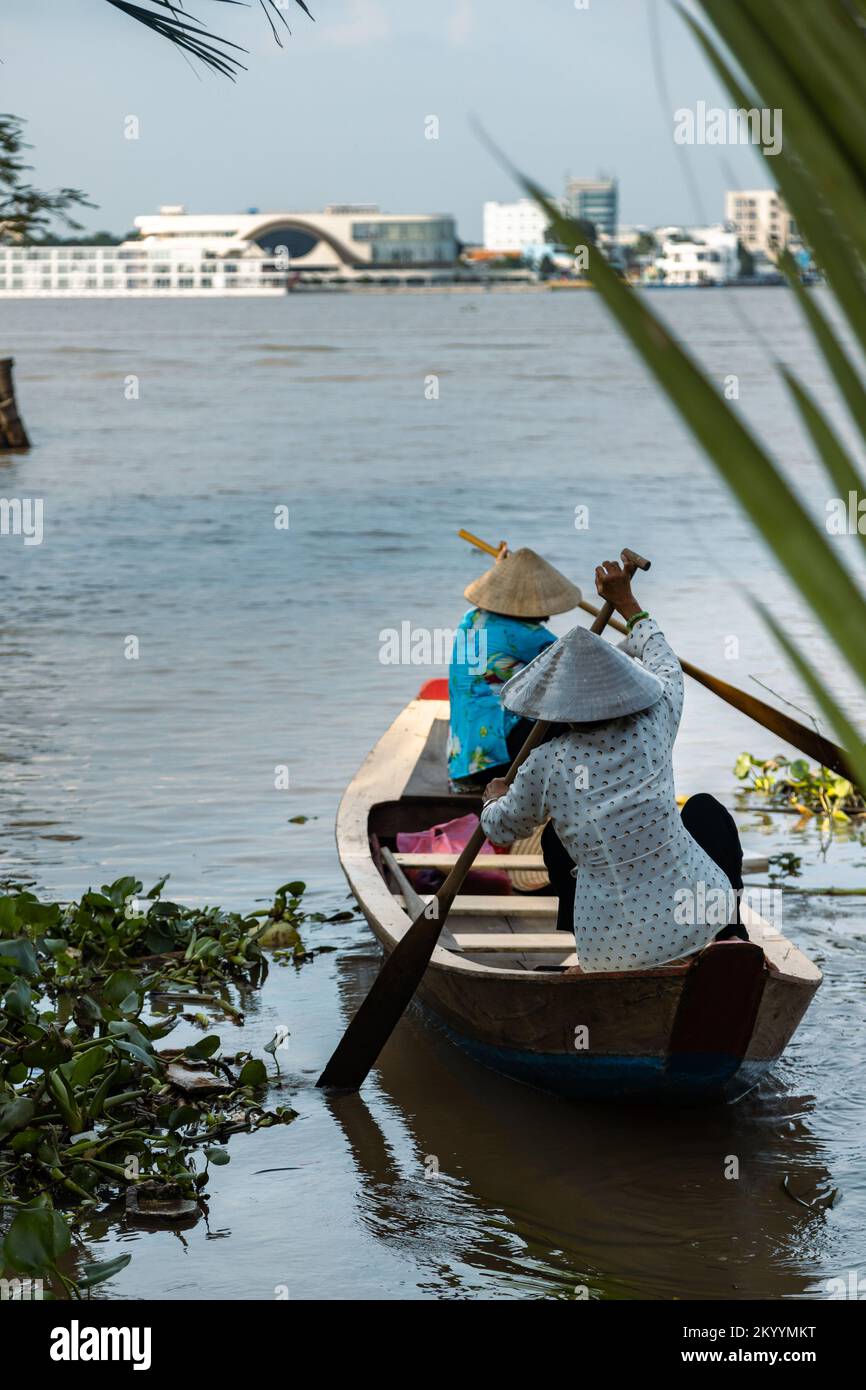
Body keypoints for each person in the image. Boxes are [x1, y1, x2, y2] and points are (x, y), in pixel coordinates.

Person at [479, 559, 748, 972]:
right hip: (697, 921)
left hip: (608, 949)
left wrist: (493, 799)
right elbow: (661, 655)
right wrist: (626, 602)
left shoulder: (546, 764)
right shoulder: (655, 721)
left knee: (554, 839)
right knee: (705, 810)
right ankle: (729, 933)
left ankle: (579, 957)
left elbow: (502, 827)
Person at [447, 546, 581, 789]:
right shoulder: (530, 636)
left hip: (464, 759)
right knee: (579, 715)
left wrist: (501, 574)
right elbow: (583, 670)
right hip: (495, 761)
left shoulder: (471, 618)